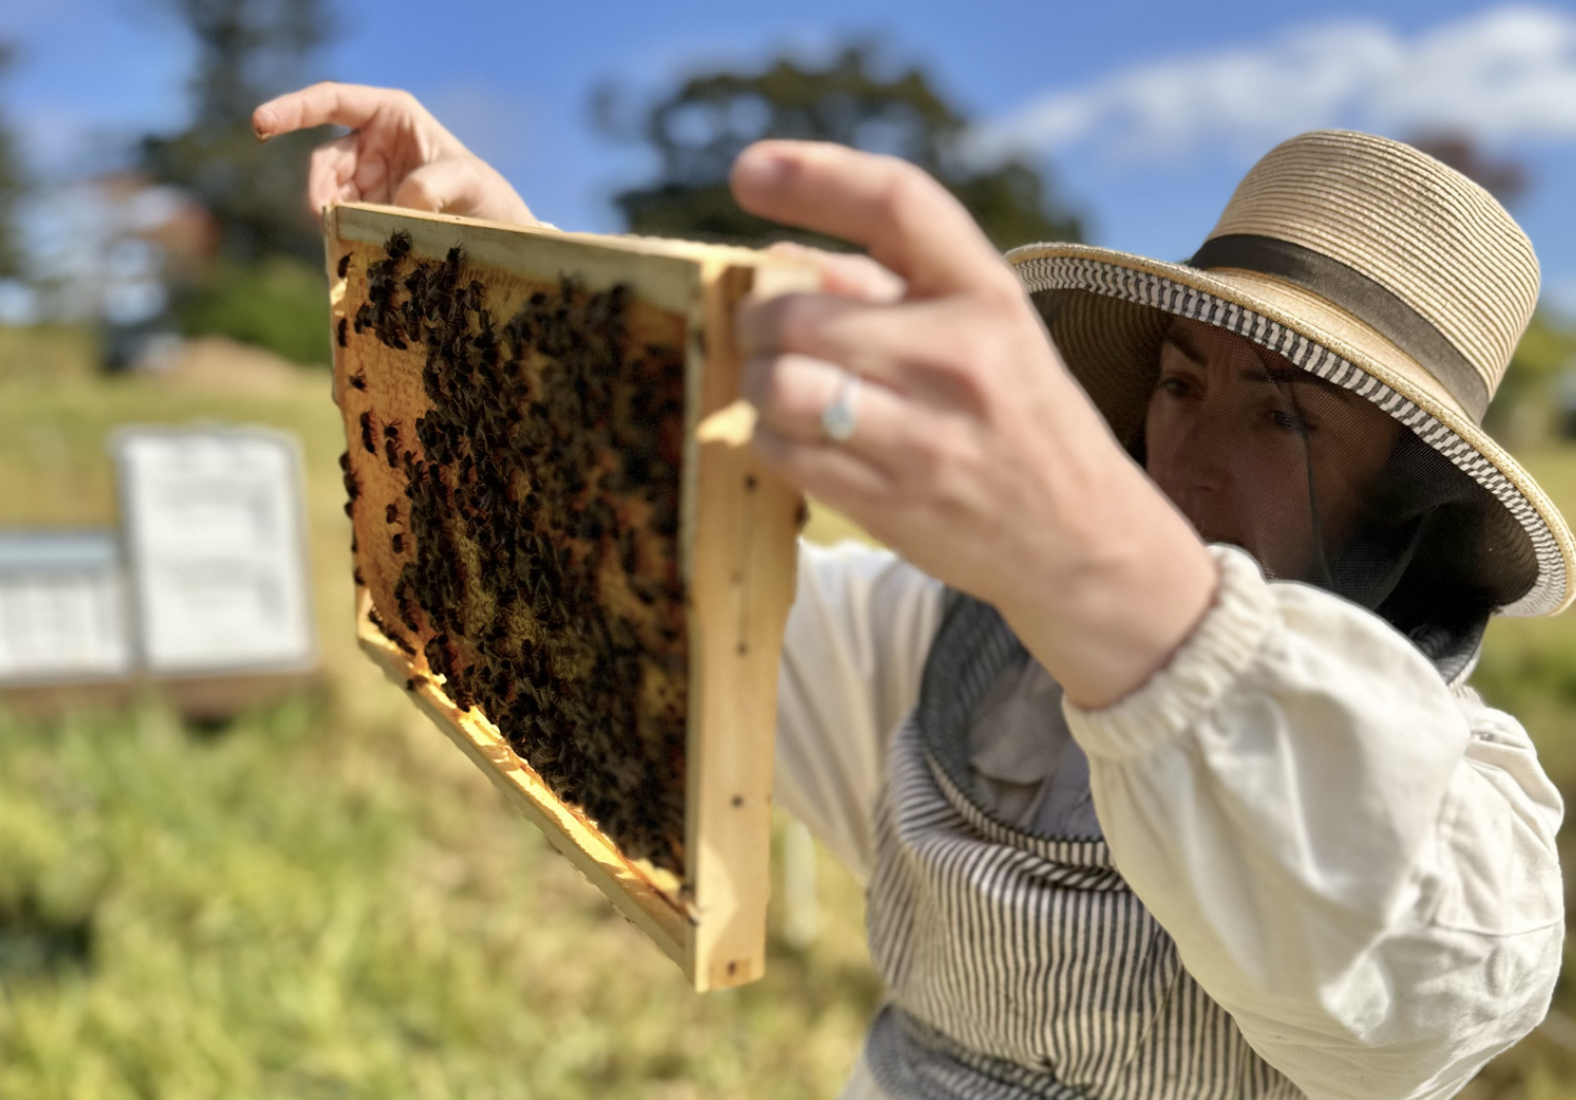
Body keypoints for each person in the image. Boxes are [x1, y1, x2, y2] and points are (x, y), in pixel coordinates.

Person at [255, 83, 1569, 1099]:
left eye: (1282, 417)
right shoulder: (942, 636)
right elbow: (698, 607)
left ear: (1416, 508)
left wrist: (1106, 569)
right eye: (1178, 384)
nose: (1191, 454)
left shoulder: (1468, 816)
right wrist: (503, 290)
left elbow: (1418, 977)